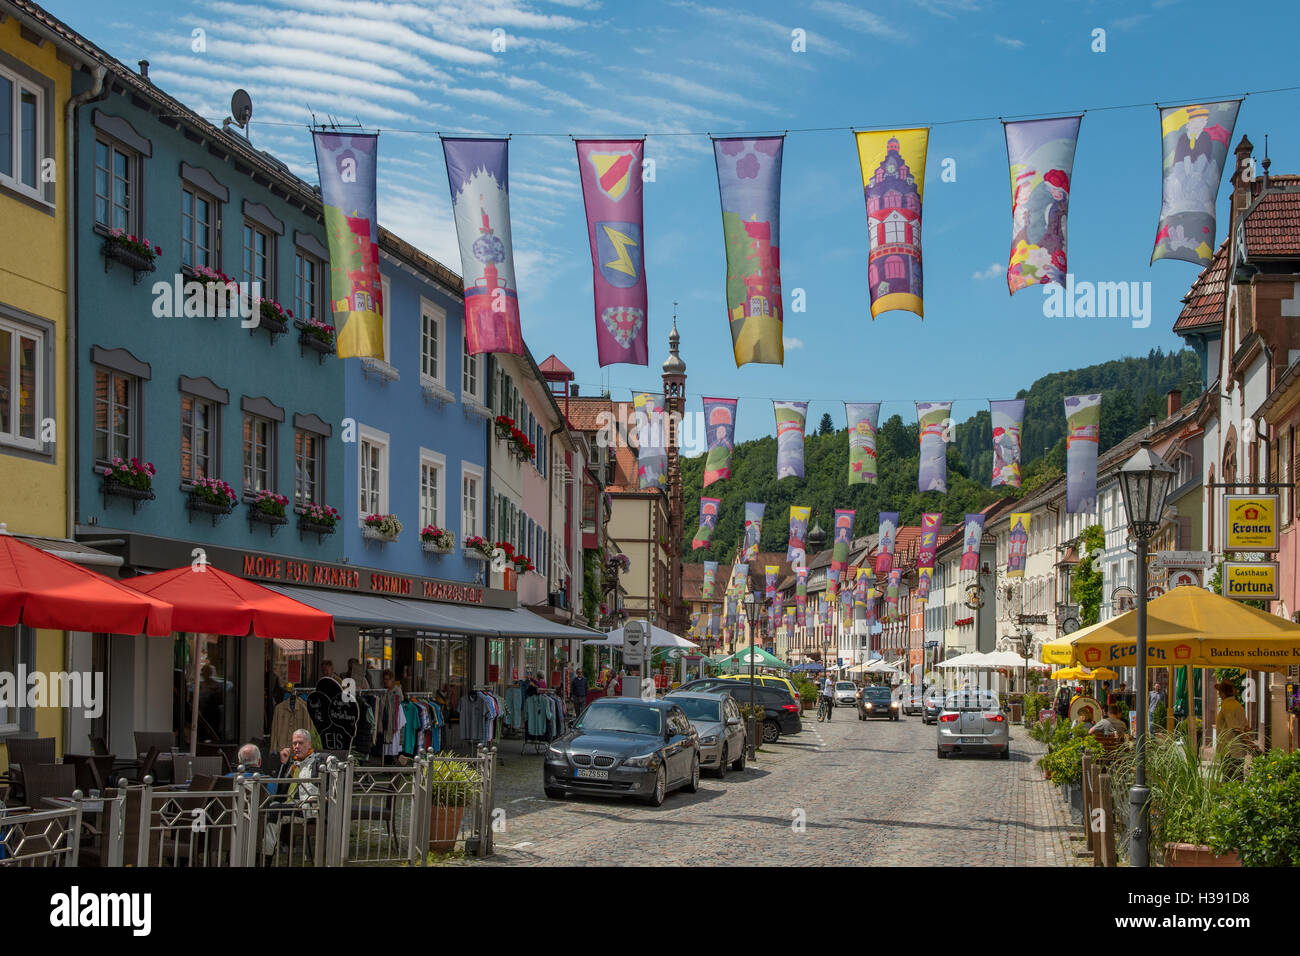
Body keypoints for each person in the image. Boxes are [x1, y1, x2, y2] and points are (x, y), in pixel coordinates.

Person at [1215, 680, 1249, 754]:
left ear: (1222, 693)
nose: (1219, 694)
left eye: (1219, 692)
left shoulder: (1227, 706)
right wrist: (1247, 742)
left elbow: (1235, 728)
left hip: (1230, 750)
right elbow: (1246, 727)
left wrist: (1249, 743)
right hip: (1239, 749)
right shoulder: (1238, 705)